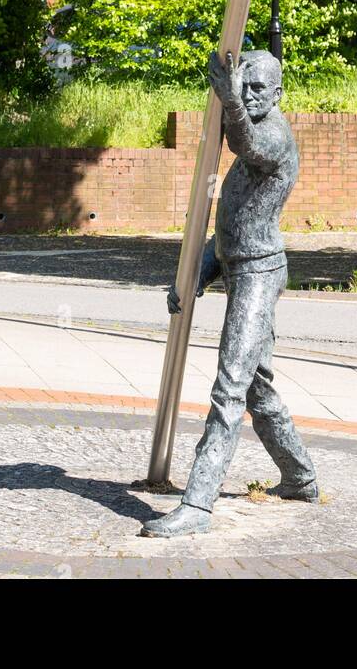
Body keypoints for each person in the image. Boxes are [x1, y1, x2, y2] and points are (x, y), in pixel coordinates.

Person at [141, 48, 318, 537]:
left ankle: (197, 506)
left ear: (280, 92)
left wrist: (229, 99)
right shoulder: (250, 138)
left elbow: (247, 142)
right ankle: (301, 476)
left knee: (228, 387)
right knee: (257, 389)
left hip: (260, 275)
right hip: (237, 265)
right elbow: (232, 225)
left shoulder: (274, 137)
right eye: (245, 85)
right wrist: (197, 272)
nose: (249, 94)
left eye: (259, 87)